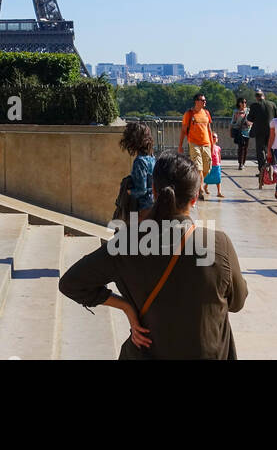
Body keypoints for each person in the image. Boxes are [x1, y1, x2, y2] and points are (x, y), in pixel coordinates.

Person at [59, 152, 248, 359]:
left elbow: (71, 283)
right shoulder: (218, 244)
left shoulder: (127, 243)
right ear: (194, 199)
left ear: (155, 192)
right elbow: (237, 302)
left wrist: (126, 306)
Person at [177, 93, 213, 200]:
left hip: (206, 143)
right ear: (196, 101)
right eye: (202, 100)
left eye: (205, 100)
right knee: (199, 167)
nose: (204, 102)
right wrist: (180, 145)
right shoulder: (189, 114)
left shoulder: (206, 113)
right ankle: (200, 189)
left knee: (207, 168)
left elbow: (209, 129)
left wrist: (212, 144)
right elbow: (183, 130)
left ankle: (196, 183)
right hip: (194, 143)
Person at [119, 121, 156, 214]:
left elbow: (141, 190)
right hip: (153, 203)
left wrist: (128, 192)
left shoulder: (140, 161)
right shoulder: (152, 157)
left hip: (142, 207)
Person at [247, 89, 277, 179]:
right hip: (271, 130)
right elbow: (276, 117)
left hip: (259, 131)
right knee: (271, 149)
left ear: (256, 97)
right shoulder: (272, 104)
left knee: (260, 151)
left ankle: (262, 170)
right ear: (264, 96)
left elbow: (250, 119)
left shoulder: (254, 105)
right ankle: (274, 168)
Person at [229, 97, 251, 169]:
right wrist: (232, 128)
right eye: (243, 102)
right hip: (239, 131)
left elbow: (251, 121)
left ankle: (243, 162)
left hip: (247, 131)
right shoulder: (236, 111)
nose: (244, 104)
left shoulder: (248, 111)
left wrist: (248, 123)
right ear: (239, 103)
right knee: (240, 147)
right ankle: (240, 163)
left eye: (245, 102)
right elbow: (233, 122)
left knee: (246, 148)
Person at [207, 132, 224, 198]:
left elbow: (219, 155)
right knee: (208, 178)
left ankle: (219, 192)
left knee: (218, 178)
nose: (214, 138)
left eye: (215, 137)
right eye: (213, 136)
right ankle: (205, 187)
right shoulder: (208, 146)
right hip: (210, 164)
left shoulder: (218, 147)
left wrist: (219, 162)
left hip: (216, 165)